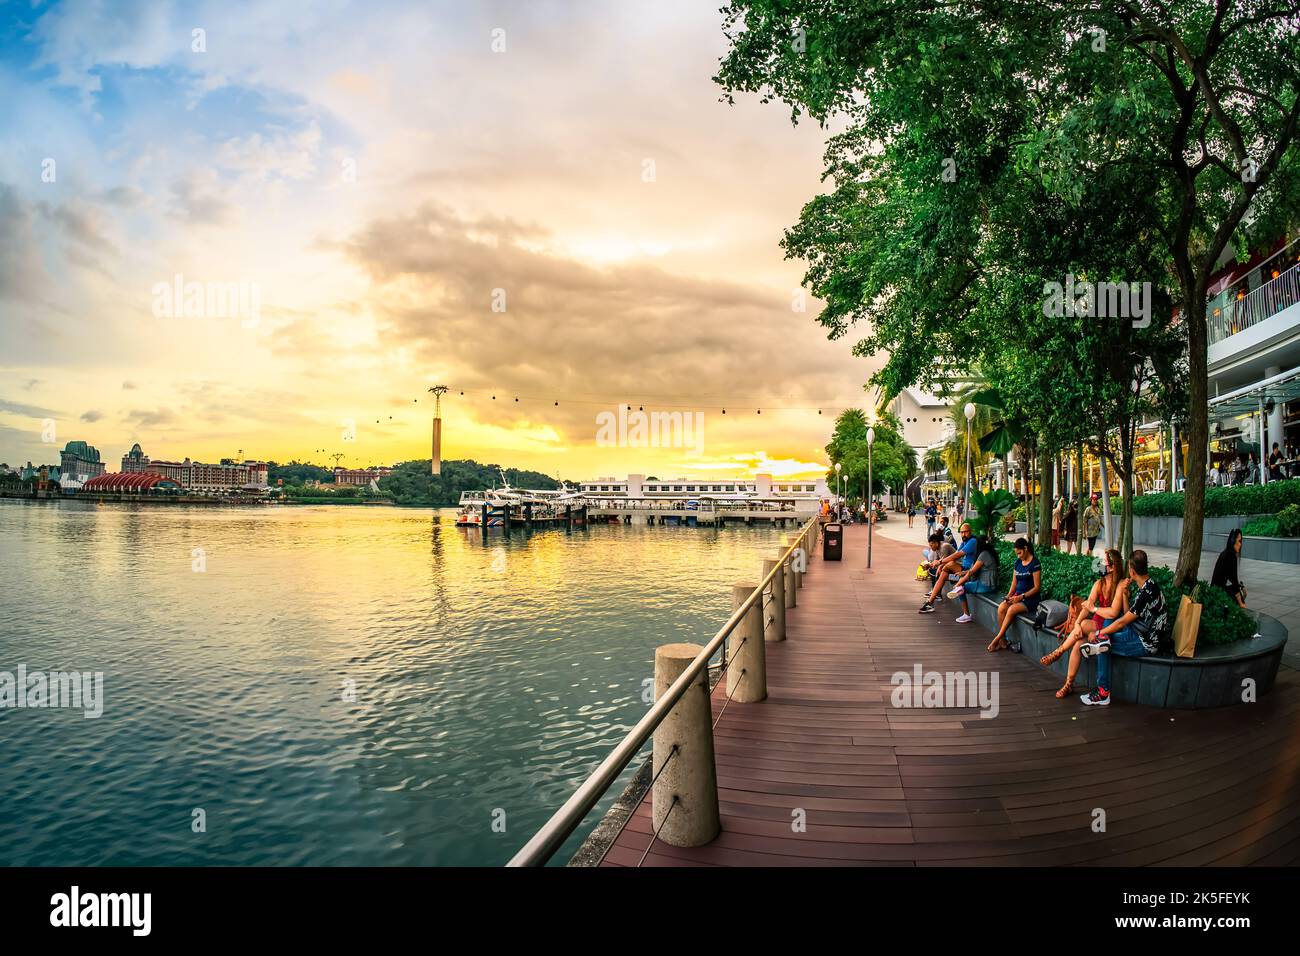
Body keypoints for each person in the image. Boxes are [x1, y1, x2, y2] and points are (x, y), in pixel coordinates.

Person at [1081, 550, 1167, 706]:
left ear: (1132, 571)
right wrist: (1125, 597)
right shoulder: (1150, 585)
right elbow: (1128, 615)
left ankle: (1103, 692)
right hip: (1137, 630)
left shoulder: (1145, 594)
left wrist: (1098, 632)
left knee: (1102, 646)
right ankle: (1102, 641)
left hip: (1145, 642)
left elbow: (1122, 622)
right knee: (1107, 628)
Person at [1041, 548, 1127, 699]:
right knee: (1077, 643)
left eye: (1104, 562)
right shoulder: (1098, 584)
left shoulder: (1120, 585)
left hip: (1109, 626)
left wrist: (1090, 613)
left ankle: (1058, 652)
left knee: (1085, 624)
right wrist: (1077, 624)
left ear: (1112, 567)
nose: (1100, 564)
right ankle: (1068, 684)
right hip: (1096, 624)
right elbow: (1087, 607)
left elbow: (1113, 613)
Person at [988, 537, 1041, 651]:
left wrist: (1021, 597)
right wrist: (1008, 596)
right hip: (1017, 596)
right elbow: (1014, 582)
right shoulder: (1017, 563)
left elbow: (1037, 588)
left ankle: (997, 638)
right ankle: (1003, 641)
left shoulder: (1035, 563)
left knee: (1011, 610)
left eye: (1020, 553)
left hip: (1030, 599)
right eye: (1017, 554)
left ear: (1025, 548)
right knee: (1002, 607)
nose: (1018, 556)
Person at [920, 523, 977, 615]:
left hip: (968, 573)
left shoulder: (973, 541)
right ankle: (930, 602)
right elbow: (956, 554)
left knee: (948, 565)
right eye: (961, 532)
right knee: (944, 574)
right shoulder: (964, 542)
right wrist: (940, 565)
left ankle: (937, 596)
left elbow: (958, 555)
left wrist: (940, 563)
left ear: (970, 531)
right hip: (958, 574)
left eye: (966, 532)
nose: (963, 534)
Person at [945, 533, 999, 623]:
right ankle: (954, 583)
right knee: (957, 580)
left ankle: (966, 615)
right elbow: (972, 570)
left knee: (960, 589)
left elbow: (972, 572)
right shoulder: (989, 553)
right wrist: (962, 573)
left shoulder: (984, 554)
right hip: (988, 583)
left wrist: (959, 582)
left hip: (985, 585)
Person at [1211, 528, 1247, 609]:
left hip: (1216, 590)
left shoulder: (1226, 553)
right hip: (1219, 592)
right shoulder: (1230, 556)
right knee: (1239, 600)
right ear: (1233, 541)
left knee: (1239, 595)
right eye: (1239, 541)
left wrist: (1241, 587)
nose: (1240, 544)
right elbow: (1234, 579)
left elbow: (1232, 578)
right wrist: (1240, 602)